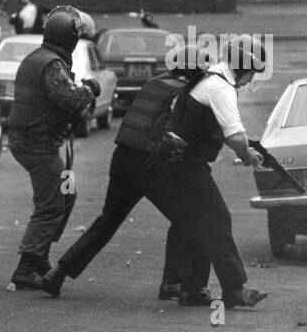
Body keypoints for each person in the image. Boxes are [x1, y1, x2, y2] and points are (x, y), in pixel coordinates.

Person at [38, 66, 205, 300]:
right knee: (184, 218)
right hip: (148, 163)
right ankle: (171, 282)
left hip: (123, 156)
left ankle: (58, 273)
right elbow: (176, 131)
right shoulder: (182, 92)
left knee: (107, 221)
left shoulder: (152, 84)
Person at [155, 38, 268, 309]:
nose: (252, 78)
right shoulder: (221, 88)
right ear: (243, 66)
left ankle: (192, 290)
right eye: (253, 71)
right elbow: (235, 136)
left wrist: (242, 145)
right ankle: (235, 290)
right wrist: (247, 154)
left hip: (172, 159)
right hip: (183, 162)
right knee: (217, 220)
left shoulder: (211, 77)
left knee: (196, 224)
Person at [6, 4, 100, 290]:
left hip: (33, 142)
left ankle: (38, 258)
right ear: (69, 38)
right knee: (50, 205)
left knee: (67, 194)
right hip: (38, 146)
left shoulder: (39, 57)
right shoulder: (52, 64)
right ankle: (26, 268)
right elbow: (70, 100)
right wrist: (90, 89)